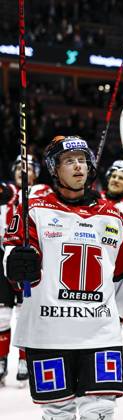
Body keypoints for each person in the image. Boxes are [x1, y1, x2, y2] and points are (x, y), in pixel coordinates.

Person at [3, 135, 123, 419]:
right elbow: (14, 261)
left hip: (100, 333)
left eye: (82, 161)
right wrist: (14, 263)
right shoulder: (32, 210)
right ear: (54, 169)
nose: (78, 167)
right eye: (69, 161)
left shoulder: (114, 218)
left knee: (100, 411)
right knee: (58, 414)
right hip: (49, 334)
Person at [0, 154, 52, 386]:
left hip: (31, 257)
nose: (24, 171)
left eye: (29, 168)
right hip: (3, 256)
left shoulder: (41, 192)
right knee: (1, 314)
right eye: (20, 167)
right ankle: (1, 359)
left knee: (26, 311)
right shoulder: (8, 192)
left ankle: (24, 358)